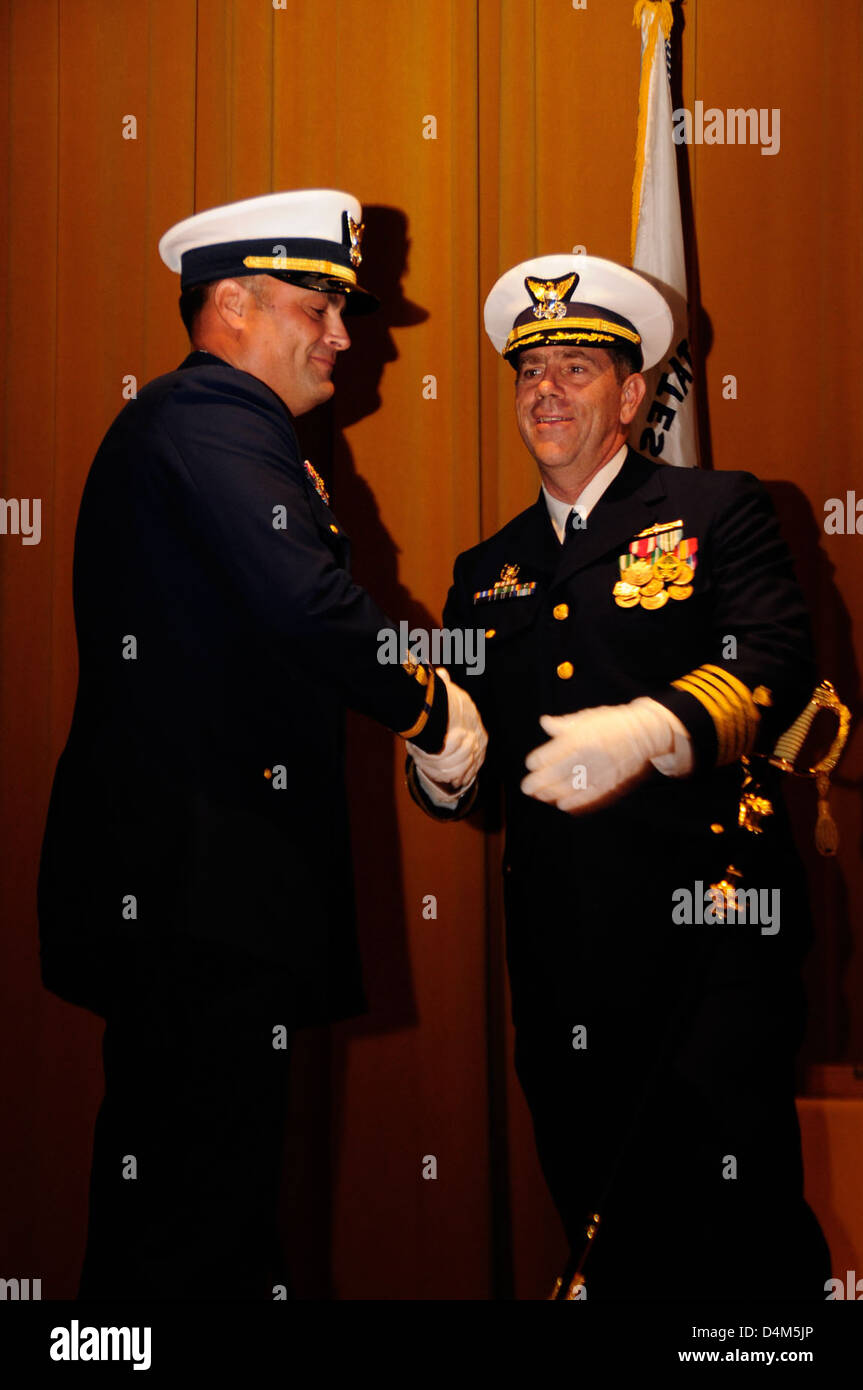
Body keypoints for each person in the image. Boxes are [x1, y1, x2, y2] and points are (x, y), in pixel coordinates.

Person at [37, 189, 486, 1300]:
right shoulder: (214, 417)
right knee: (200, 1225)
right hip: (206, 896)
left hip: (197, 900)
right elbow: (305, 602)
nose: (344, 334)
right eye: (318, 303)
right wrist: (430, 709)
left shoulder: (211, 429)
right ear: (228, 303)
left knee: (196, 1214)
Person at [407, 254, 831, 1300]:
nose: (544, 390)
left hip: (708, 945)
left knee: (742, 1232)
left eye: (574, 368)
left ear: (633, 395)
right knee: (603, 1222)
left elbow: (774, 666)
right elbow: (468, 773)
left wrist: (653, 726)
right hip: (561, 963)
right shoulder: (485, 569)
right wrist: (439, 766)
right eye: (527, 372)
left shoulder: (714, 509)